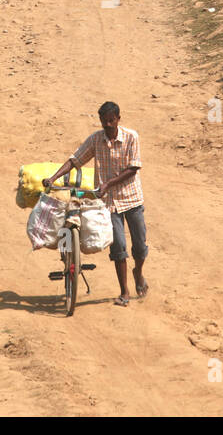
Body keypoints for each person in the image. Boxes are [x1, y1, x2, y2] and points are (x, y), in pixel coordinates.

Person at [45, 101, 148, 306]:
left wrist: (108, 183)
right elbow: (75, 160)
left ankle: (138, 271)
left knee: (140, 246)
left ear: (119, 119)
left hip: (132, 198)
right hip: (108, 204)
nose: (108, 125)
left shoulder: (131, 137)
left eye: (111, 120)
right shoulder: (95, 140)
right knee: (118, 247)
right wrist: (54, 178)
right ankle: (124, 292)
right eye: (104, 121)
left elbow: (133, 168)